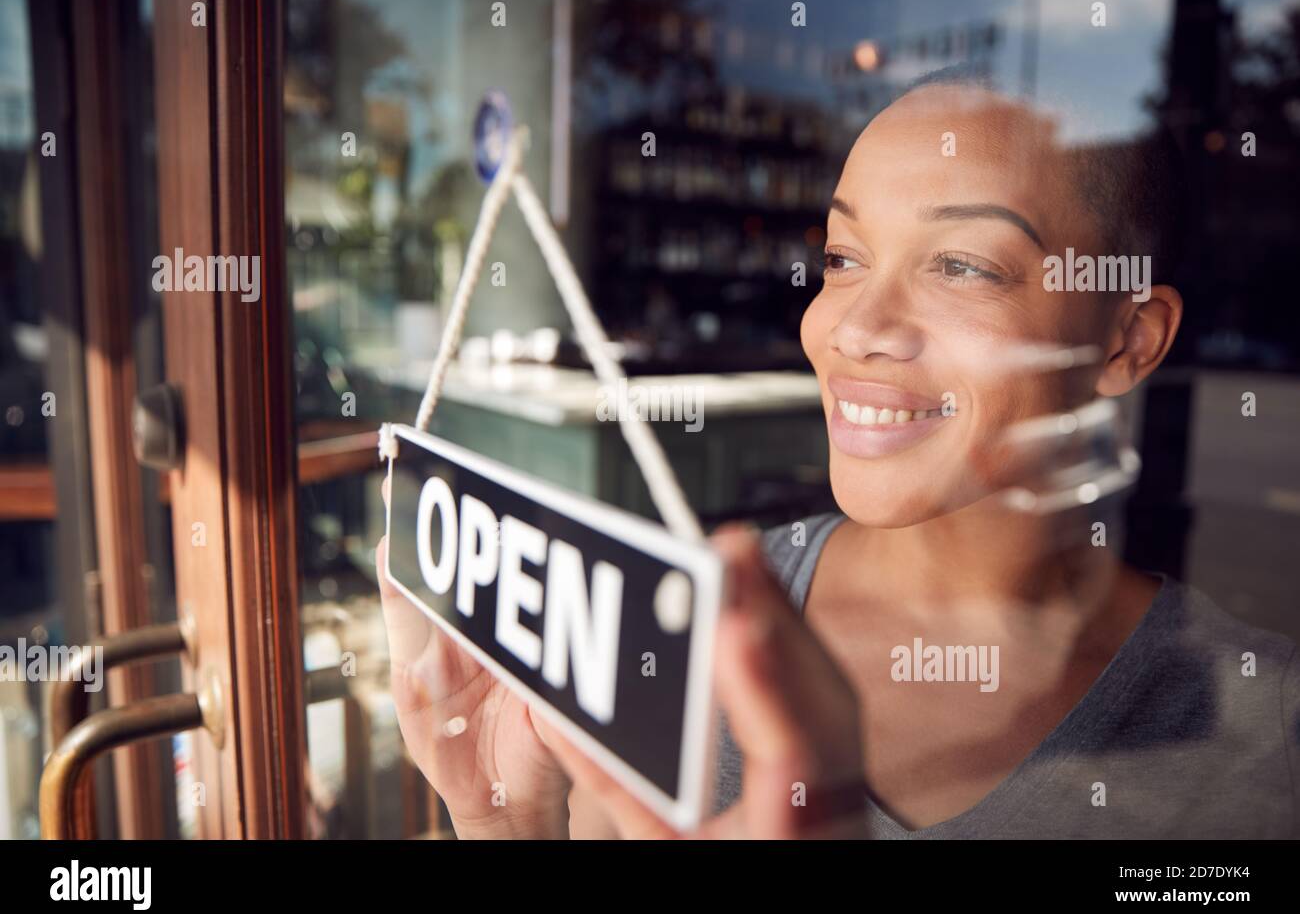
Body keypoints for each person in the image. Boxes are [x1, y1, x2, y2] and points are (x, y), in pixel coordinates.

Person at [376, 70, 1300, 839]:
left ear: (1127, 339)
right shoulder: (676, 626)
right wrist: (505, 820)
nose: (852, 329)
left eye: (962, 266)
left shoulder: (1264, 737)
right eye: (845, 258)